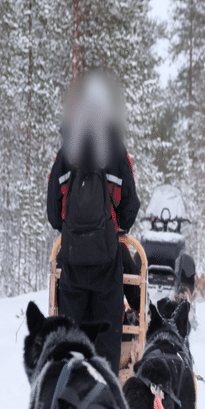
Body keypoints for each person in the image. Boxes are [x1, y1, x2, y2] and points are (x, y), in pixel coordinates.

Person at [47, 73, 140, 374]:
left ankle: (70, 396)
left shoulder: (65, 155)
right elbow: (130, 208)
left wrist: (72, 232)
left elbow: (52, 213)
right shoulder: (117, 153)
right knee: (106, 341)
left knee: (73, 339)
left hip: (72, 263)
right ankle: (105, 395)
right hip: (107, 263)